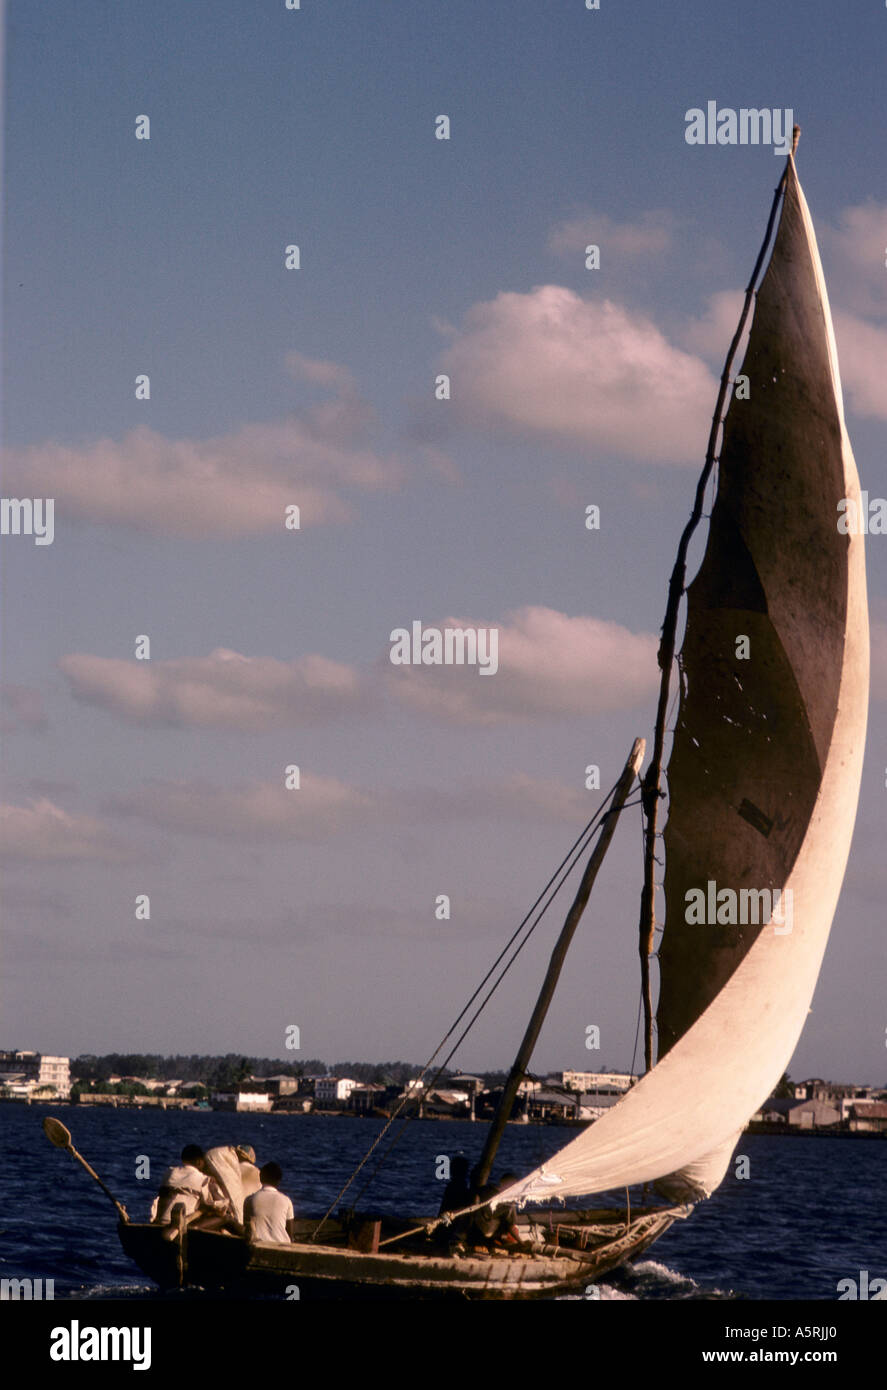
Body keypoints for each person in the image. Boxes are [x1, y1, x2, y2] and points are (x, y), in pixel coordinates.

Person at [151, 1145, 227, 1231]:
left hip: (160, 1223)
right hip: (181, 1225)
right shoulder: (202, 1179)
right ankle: (243, 1236)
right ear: (199, 1162)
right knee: (224, 1218)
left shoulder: (169, 1172)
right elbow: (222, 1206)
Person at [243, 1161, 296, 1245]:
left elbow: (246, 1227)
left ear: (260, 1178)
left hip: (258, 1245)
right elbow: (290, 1234)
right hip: (282, 1245)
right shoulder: (286, 1201)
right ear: (279, 1181)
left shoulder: (249, 1200)